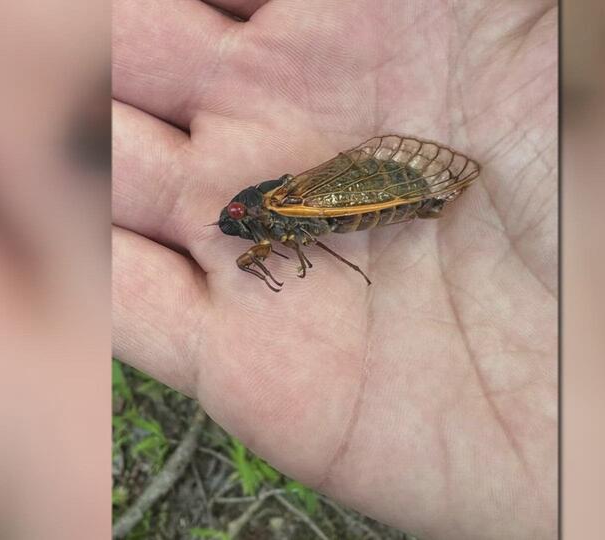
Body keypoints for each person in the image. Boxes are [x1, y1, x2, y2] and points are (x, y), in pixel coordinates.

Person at [112, 0, 558, 537]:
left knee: (336, 222)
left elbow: (302, 240)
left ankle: (424, 193)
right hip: (330, 203)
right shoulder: (261, 230)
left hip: (349, 197)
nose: (236, 229)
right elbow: (275, 250)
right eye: (236, 221)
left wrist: (289, 250)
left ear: (254, 212)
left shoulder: (278, 210)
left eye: (238, 219)